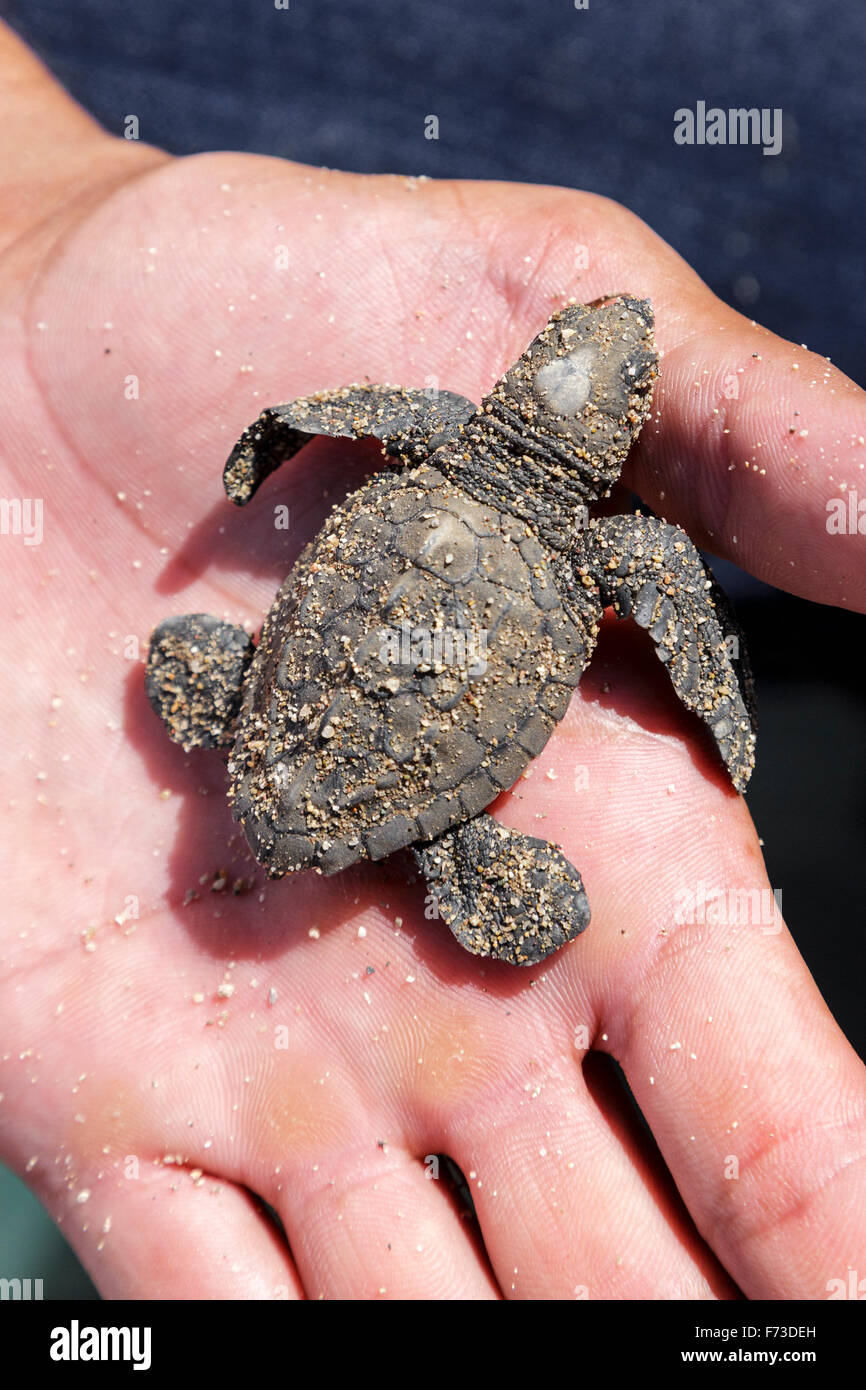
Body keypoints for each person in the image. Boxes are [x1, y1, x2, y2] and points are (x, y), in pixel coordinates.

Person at [1, 20, 864, 1299]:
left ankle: (266, 724)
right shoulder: (617, 552)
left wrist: (252, 436)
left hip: (280, 711)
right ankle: (451, 849)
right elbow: (685, 616)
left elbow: (307, 418)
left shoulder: (432, 431)